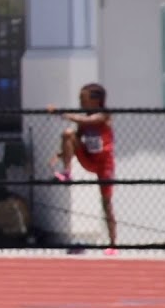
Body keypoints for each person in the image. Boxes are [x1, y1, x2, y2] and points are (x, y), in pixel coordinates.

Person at [50, 82, 117, 251]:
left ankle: (113, 244)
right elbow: (76, 138)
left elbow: (88, 120)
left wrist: (61, 113)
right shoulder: (83, 119)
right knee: (67, 133)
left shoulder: (103, 115)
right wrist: (61, 153)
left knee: (106, 203)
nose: (80, 102)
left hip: (104, 163)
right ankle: (67, 172)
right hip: (88, 157)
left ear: (96, 100)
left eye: (83, 99)